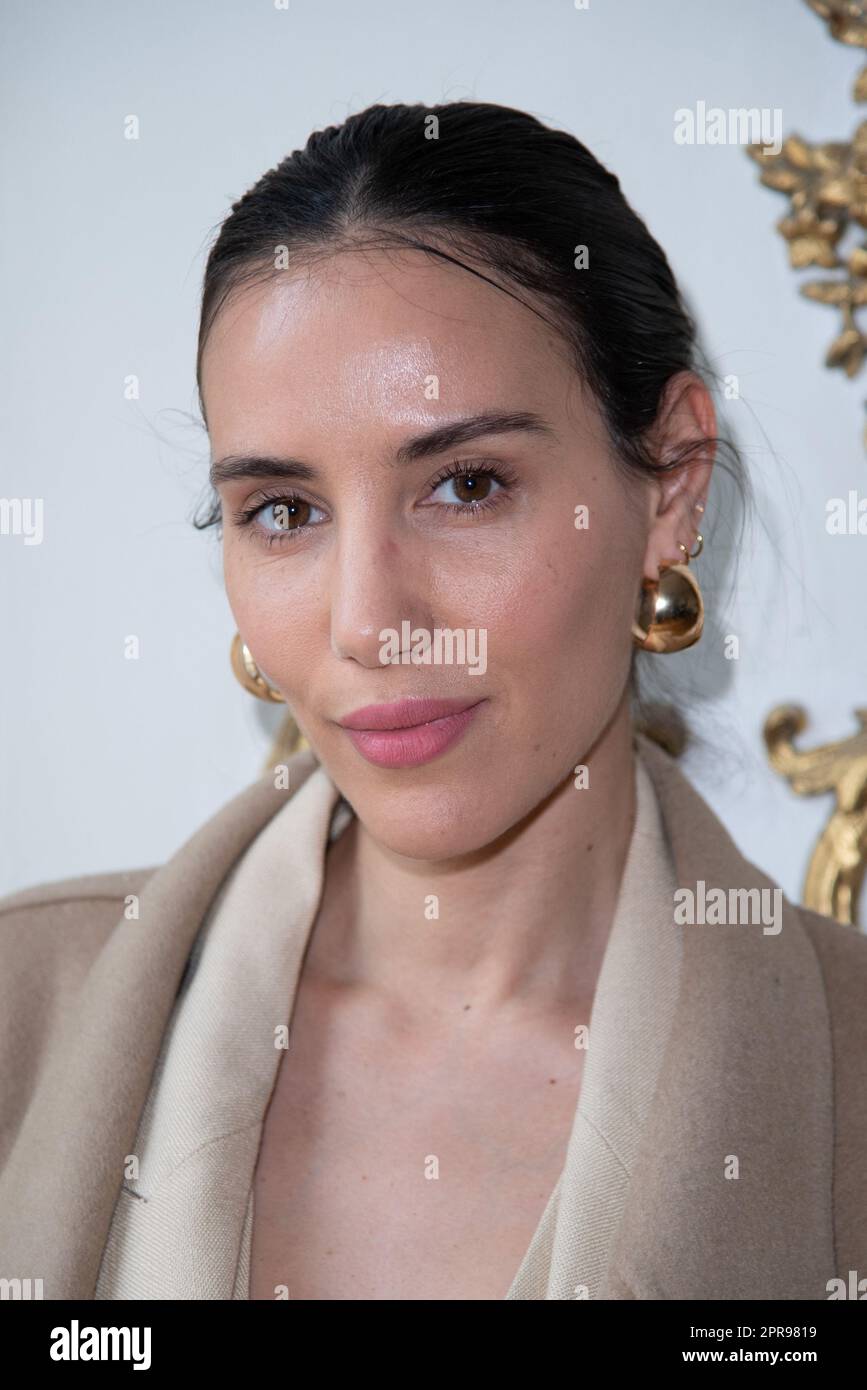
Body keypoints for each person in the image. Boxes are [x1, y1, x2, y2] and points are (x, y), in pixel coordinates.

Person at [1, 101, 865, 1302]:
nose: (367, 620)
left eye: (466, 484)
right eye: (285, 512)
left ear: (670, 485)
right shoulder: (20, 1013)